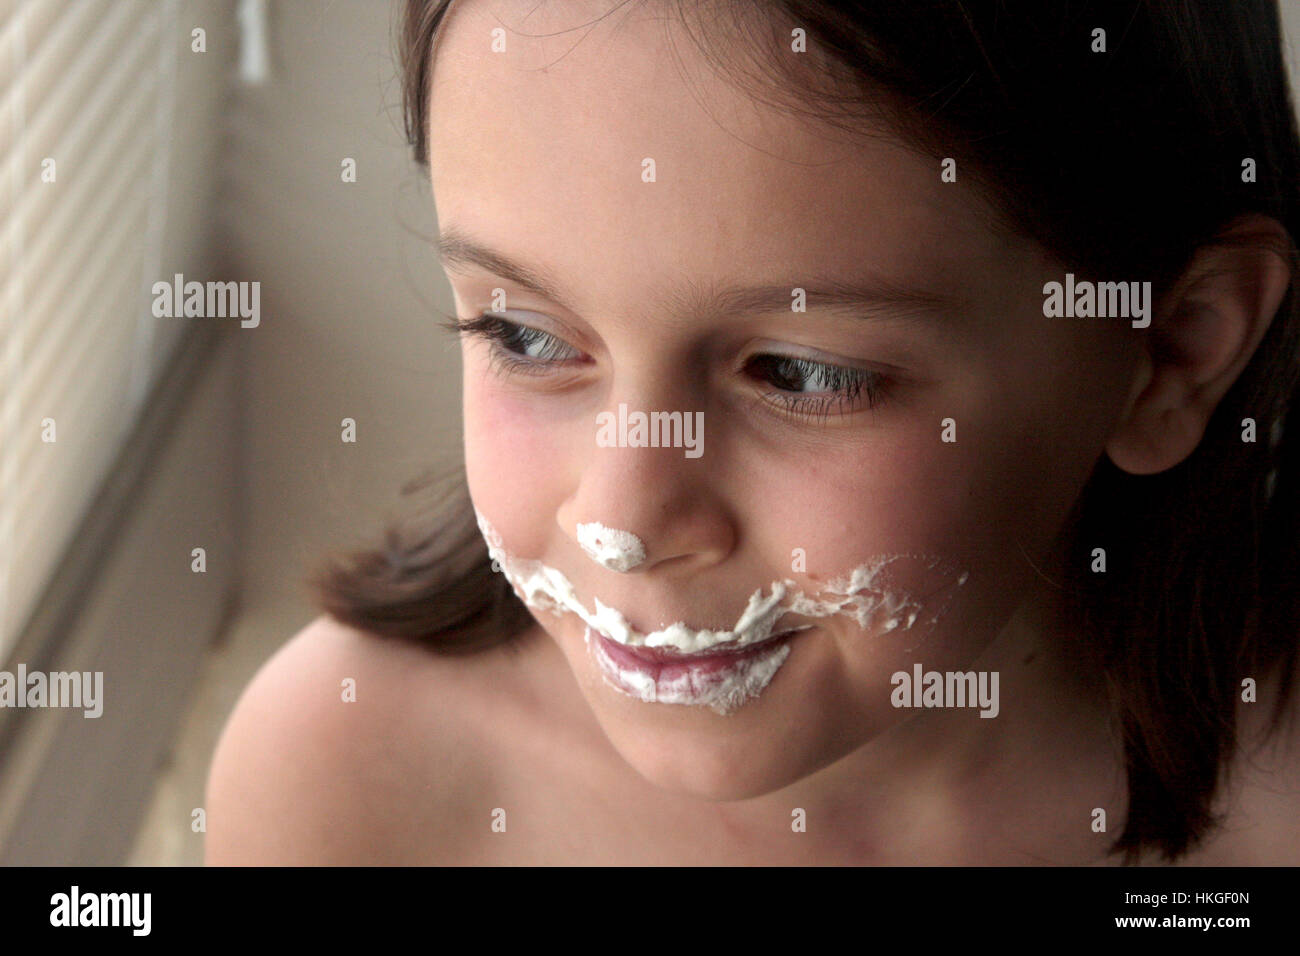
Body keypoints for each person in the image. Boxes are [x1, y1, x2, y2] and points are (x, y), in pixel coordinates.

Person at [205, 0, 1300, 865]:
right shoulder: (344, 777)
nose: (623, 523)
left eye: (802, 371)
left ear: (1170, 352)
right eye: (526, 337)